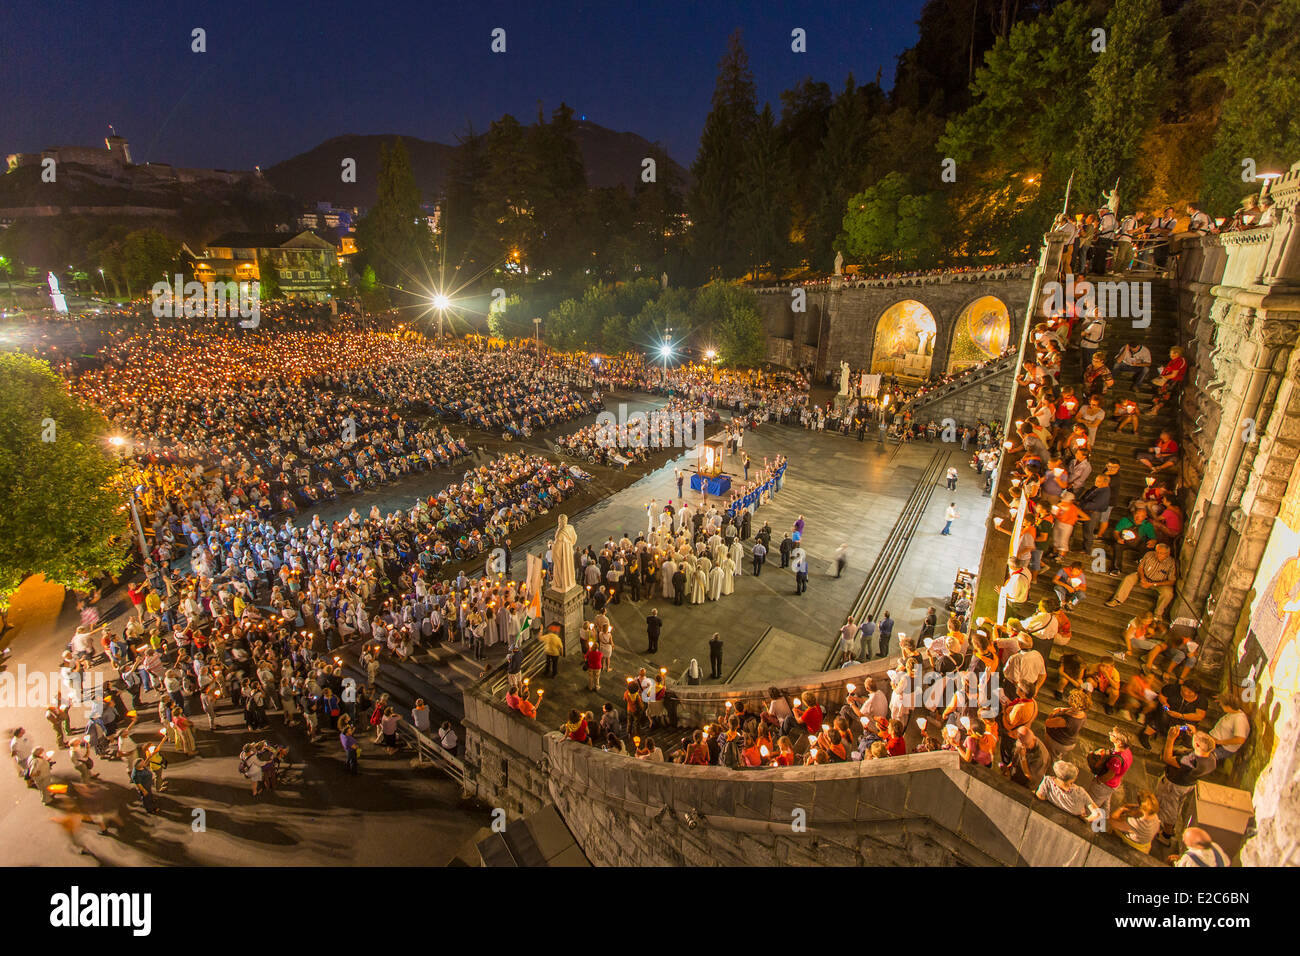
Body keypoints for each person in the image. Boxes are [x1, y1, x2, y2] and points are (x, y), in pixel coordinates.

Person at [1155, 730, 1217, 843]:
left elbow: (1167, 758)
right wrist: (1193, 734)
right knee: (1177, 806)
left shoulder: (1190, 760)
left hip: (1174, 785)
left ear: (1197, 745)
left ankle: (1165, 835)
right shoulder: (1211, 759)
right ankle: (1170, 828)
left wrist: (1170, 739)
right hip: (1188, 785)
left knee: (1168, 808)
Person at [1106, 542, 1177, 620]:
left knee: (1168, 593)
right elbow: (1140, 567)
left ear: (1167, 553)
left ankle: (1158, 614)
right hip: (1143, 576)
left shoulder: (1171, 563)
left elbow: (1172, 581)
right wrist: (1142, 578)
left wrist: (1153, 584)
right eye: (1157, 552)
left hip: (1158, 583)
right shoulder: (1149, 554)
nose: (1158, 554)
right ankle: (1117, 600)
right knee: (1129, 578)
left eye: (1161, 553)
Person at [1036, 760, 1102, 822]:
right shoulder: (1080, 793)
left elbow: (1040, 797)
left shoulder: (1047, 782)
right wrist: (1085, 820)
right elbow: (1098, 814)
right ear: (1071, 780)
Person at [1208, 692, 1250, 761]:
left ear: (1228, 707)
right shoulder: (1234, 713)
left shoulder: (1239, 719)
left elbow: (1240, 739)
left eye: (1222, 705)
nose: (1220, 705)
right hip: (1214, 742)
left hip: (1222, 748)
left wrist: (1219, 742)